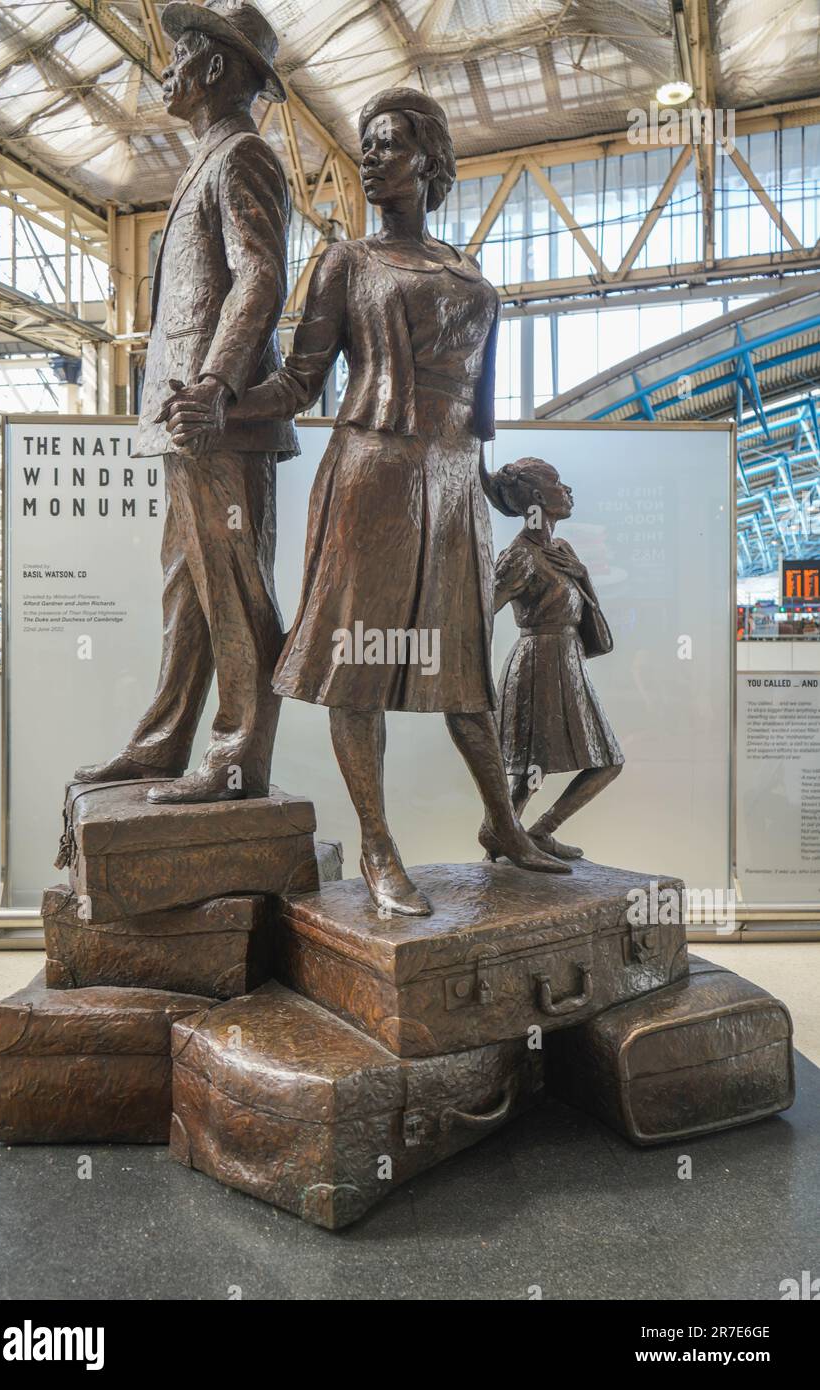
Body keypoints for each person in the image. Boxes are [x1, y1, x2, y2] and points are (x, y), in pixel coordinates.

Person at [165, 86, 569, 914]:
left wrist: (493, 483)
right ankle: (380, 847)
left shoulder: (469, 271)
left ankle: (503, 825)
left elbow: (479, 405)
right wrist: (221, 404)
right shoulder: (344, 262)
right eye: (367, 145)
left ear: (429, 159)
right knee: (356, 667)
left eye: (388, 144)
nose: (371, 157)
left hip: (453, 483)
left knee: (461, 670)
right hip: (369, 479)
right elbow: (300, 382)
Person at [75, 2, 297, 804]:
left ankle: (237, 761)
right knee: (190, 588)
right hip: (190, 422)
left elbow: (262, 277)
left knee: (232, 589)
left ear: (214, 69)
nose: (166, 72)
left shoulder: (242, 156)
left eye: (180, 57)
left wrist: (214, 386)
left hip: (215, 422)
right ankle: (164, 742)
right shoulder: (209, 159)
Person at [482, 458, 624, 859]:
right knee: (534, 766)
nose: (569, 490)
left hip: (567, 661)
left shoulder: (560, 549)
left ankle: (525, 833)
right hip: (537, 663)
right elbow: (481, 613)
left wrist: (582, 575)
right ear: (540, 498)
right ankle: (506, 834)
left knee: (582, 763)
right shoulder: (521, 555)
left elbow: (586, 619)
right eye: (559, 483)